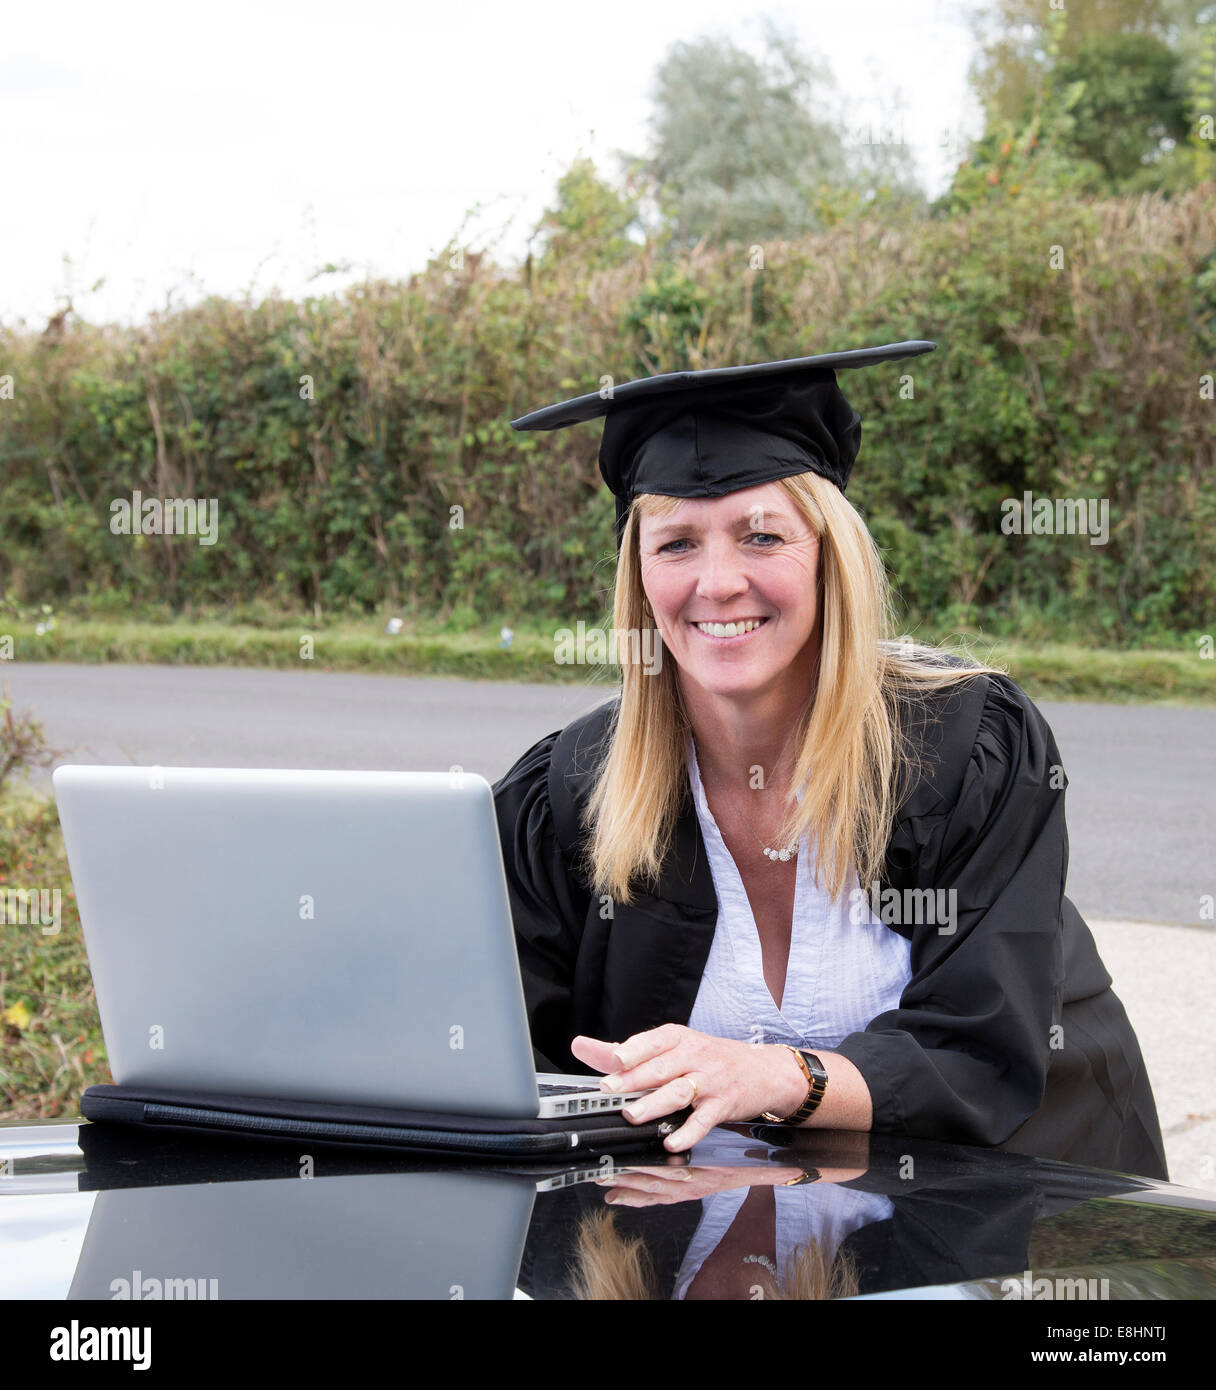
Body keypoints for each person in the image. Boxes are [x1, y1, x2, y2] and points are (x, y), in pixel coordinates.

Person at [492, 341, 1168, 1181]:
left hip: (1017, 1216)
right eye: (675, 545)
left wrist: (774, 1076)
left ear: (830, 556)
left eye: (761, 534)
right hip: (717, 1234)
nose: (719, 581)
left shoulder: (965, 746)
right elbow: (503, 1056)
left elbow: (980, 1050)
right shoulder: (572, 791)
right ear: (638, 576)